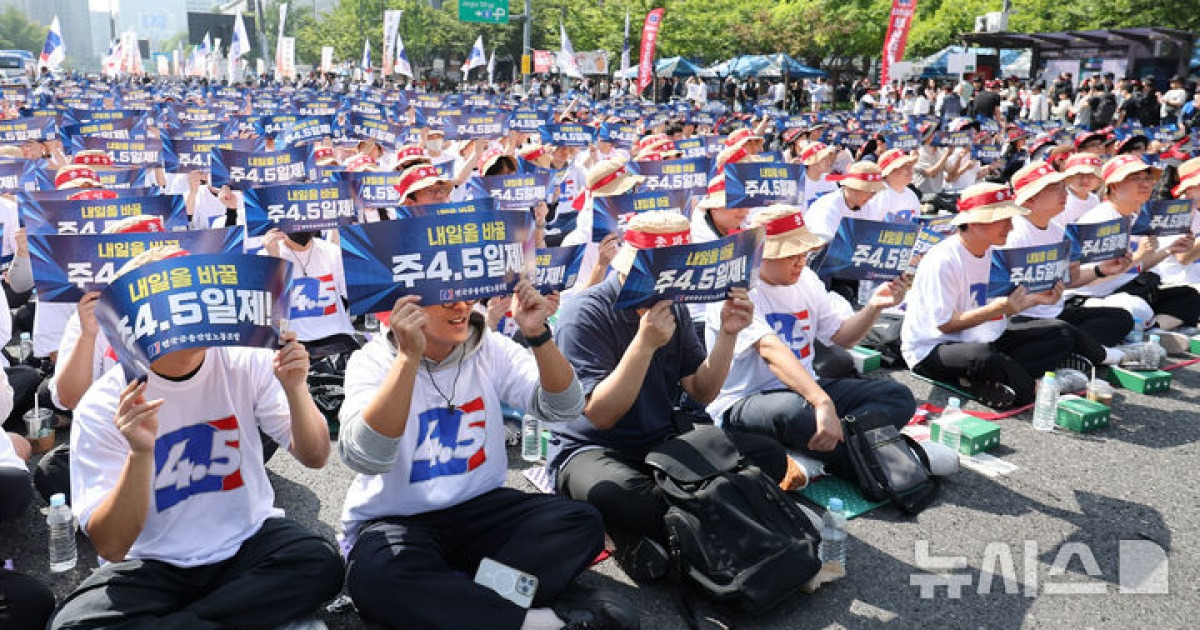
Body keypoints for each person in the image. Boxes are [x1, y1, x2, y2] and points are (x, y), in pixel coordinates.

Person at [51, 247, 344, 629]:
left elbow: (316, 456)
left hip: (246, 543)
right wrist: (140, 453)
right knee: (74, 625)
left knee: (320, 562)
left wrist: (296, 390)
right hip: (153, 565)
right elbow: (112, 545)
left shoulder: (247, 360)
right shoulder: (104, 402)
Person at [338, 281, 635, 630]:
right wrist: (408, 358)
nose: (462, 307)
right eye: (445, 300)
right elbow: (367, 458)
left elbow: (565, 408)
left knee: (579, 522)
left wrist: (538, 334)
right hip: (400, 517)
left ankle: (461, 605)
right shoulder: (370, 361)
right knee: (375, 575)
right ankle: (535, 620)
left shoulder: (488, 347)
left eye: (465, 294)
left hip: (481, 506)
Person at [549, 211, 798, 583]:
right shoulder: (584, 313)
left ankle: (673, 526)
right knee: (620, 494)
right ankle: (647, 527)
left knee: (769, 457)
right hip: (592, 448)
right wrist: (644, 344)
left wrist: (728, 334)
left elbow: (701, 390)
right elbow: (600, 417)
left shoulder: (674, 304)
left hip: (661, 440)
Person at [705, 205, 915, 477]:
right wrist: (822, 402)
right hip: (748, 400)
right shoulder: (737, 289)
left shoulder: (807, 279)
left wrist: (874, 307)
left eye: (804, 252)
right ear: (762, 255)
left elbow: (842, 337)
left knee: (897, 395)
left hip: (805, 387)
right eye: (790, 254)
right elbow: (770, 350)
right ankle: (874, 455)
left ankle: (839, 451)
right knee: (793, 413)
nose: (800, 261)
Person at [902, 183, 1075, 408]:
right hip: (933, 348)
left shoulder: (994, 253)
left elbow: (1001, 307)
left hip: (980, 335)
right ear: (974, 222)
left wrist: (1038, 299)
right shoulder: (944, 260)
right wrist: (997, 310)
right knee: (983, 356)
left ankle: (996, 378)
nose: (1011, 227)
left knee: (1060, 332)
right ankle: (1028, 386)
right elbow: (944, 325)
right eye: (1003, 219)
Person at [1005, 161, 1134, 363]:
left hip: (1055, 311)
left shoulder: (1057, 230)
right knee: (1062, 332)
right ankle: (1089, 352)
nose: (1063, 193)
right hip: (1020, 317)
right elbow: (1003, 299)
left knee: (1121, 317)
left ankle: (1074, 352)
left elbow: (1069, 280)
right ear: (1030, 199)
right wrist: (1037, 298)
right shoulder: (1013, 234)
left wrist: (1101, 270)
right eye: (1054, 189)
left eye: (1062, 187)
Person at [1067, 155, 1200, 345]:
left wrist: (1169, 250)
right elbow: (1091, 281)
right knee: (1132, 309)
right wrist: (1138, 257)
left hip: (1127, 288)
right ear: (1113, 186)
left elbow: (1140, 266)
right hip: (1095, 296)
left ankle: (1152, 332)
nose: (1145, 183)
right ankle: (1140, 332)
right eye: (1135, 178)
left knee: (1186, 296)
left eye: (1147, 178)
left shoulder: (1137, 215)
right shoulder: (1100, 219)